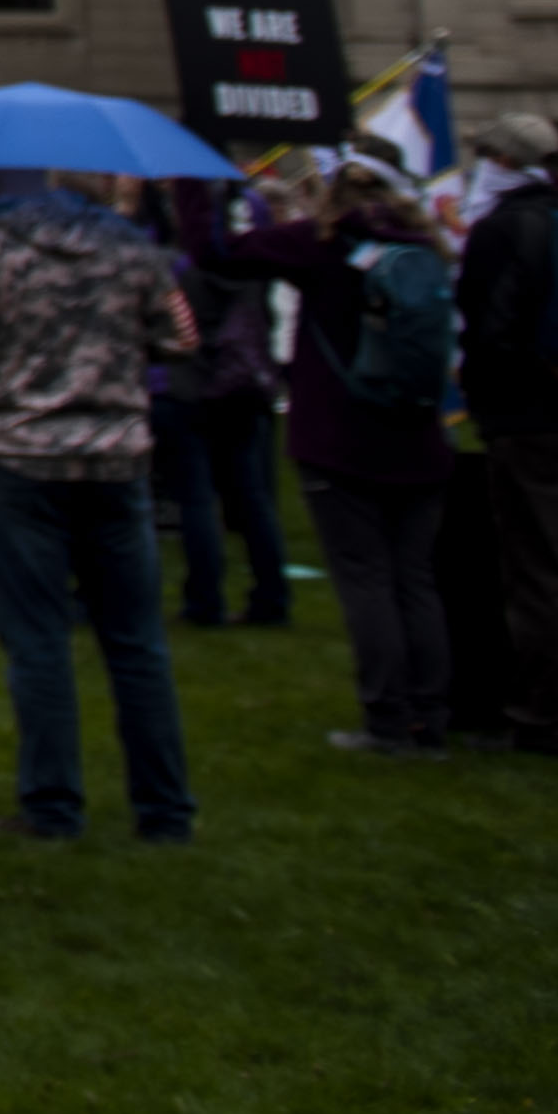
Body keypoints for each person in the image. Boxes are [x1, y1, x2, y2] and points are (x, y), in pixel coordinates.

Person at [0, 162, 197, 841]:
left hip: (14, 452)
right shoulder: (131, 244)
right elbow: (177, 337)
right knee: (136, 641)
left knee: (37, 638)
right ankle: (164, 809)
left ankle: (53, 804)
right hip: (113, 451)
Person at [215, 149, 466, 758]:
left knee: (367, 581)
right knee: (415, 581)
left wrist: (200, 188)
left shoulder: (322, 245)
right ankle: (430, 717)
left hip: (341, 438)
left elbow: (219, 254)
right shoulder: (424, 246)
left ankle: (386, 719)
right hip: (420, 434)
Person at [452, 112, 558, 752]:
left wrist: (486, 399)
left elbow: (490, 331)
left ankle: (540, 717)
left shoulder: (504, 230)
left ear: (501, 159)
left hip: (531, 422)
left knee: (540, 573)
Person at [146, 183, 290, 631]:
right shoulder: (255, 264)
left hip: (187, 385)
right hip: (242, 385)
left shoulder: (177, 265)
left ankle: (204, 600)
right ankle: (272, 597)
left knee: (196, 499)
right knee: (252, 498)